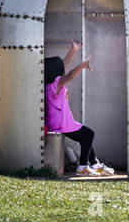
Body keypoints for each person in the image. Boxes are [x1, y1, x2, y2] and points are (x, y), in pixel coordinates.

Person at [44, 41, 114, 176]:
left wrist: (73, 50)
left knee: (85, 136)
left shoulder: (49, 85)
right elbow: (69, 75)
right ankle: (82, 167)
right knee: (89, 134)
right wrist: (82, 66)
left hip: (59, 121)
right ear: (57, 72)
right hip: (61, 124)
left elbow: (63, 66)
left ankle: (95, 164)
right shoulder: (56, 85)